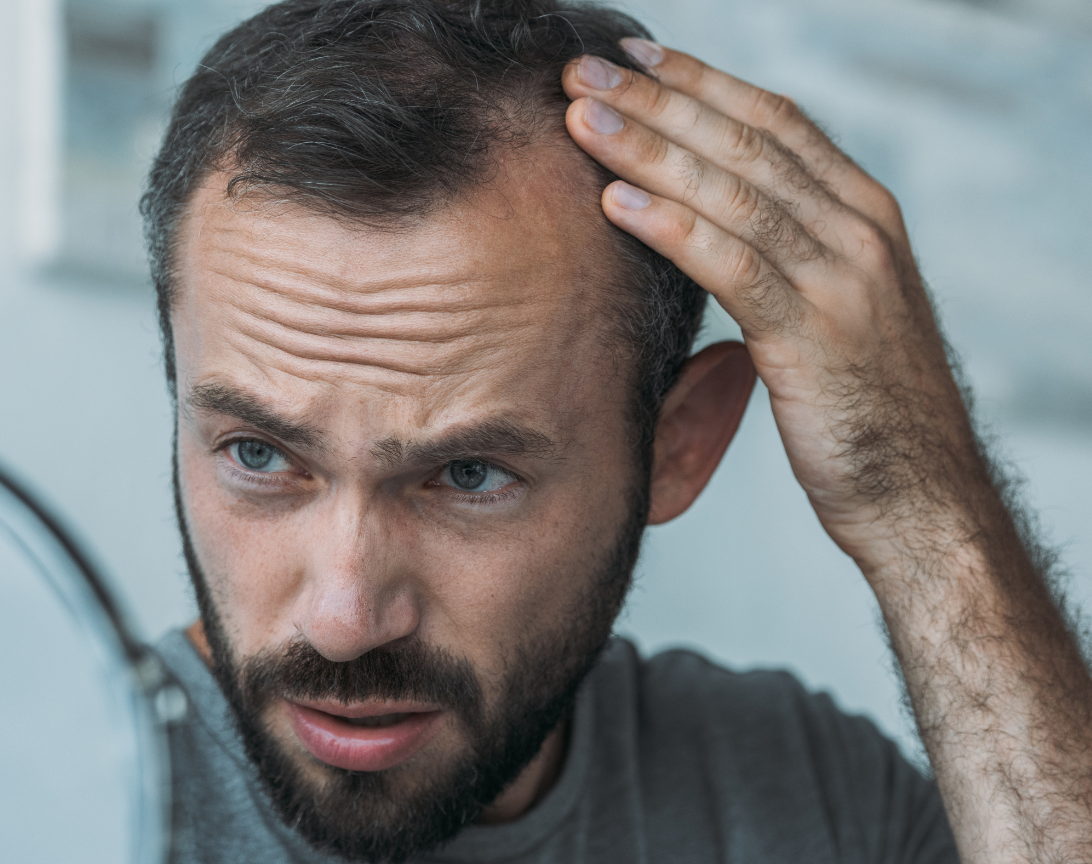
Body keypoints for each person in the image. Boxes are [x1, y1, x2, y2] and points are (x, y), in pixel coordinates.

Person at [136, 1, 1092, 861]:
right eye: (258, 456)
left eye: (469, 475)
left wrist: (925, 509)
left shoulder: (809, 799)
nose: (343, 621)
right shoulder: (38, 795)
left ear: (678, 444)